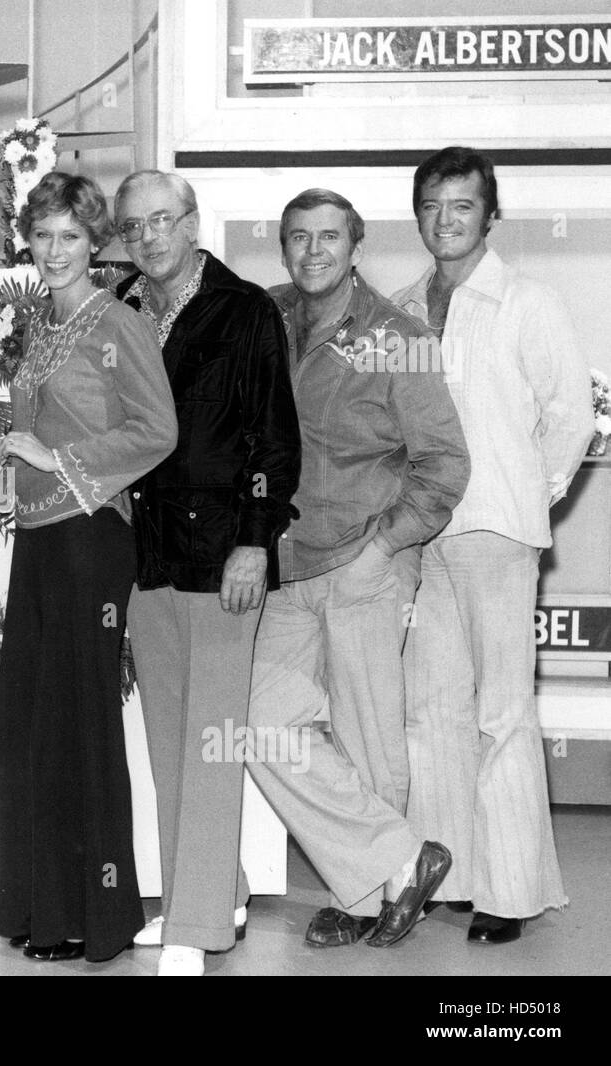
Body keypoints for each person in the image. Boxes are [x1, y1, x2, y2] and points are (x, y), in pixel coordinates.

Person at [245, 188, 470, 950]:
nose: (313, 251)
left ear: (356, 245)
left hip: (364, 560)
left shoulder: (397, 336)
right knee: (260, 725)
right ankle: (402, 861)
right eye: (299, 237)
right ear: (283, 248)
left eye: (329, 237)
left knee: (370, 737)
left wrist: (384, 549)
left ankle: (372, 896)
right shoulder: (261, 319)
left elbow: (443, 464)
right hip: (283, 562)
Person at [0, 172, 177, 963]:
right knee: (28, 723)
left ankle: (92, 918)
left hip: (91, 539)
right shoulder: (42, 326)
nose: (55, 251)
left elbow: (156, 430)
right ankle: (38, 905)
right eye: (43, 235)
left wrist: (53, 456)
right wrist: (11, 452)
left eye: (70, 236)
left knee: (79, 726)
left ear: (97, 243)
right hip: (39, 538)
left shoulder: (117, 322)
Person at [393, 148, 593, 944]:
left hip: (496, 535)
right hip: (422, 537)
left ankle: (508, 891)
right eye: (434, 206)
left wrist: (521, 497)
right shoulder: (402, 306)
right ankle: (456, 874)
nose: (447, 220)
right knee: (431, 711)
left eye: (462, 207)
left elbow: (570, 416)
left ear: (490, 215)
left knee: (501, 712)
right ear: (418, 217)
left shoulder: (526, 300)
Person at [113, 170, 301, 976]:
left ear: (193, 222)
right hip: (147, 553)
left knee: (213, 743)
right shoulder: (120, 310)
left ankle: (195, 927)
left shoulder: (246, 309)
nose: (150, 236)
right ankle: (214, 890)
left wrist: (256, 540)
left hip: (225, 552)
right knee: (168, 740)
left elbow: (275, 440)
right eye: (135, 226)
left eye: (164, 220)